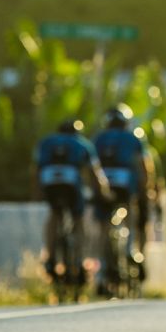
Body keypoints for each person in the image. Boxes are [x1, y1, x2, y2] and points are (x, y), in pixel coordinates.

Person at [32, 115, 108, 290]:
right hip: (71, 182)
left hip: (49, 180)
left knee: (54, 213)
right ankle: (79, 259)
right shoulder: (82, 143)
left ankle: (50, 256)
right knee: (78, 218)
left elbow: (36, 169)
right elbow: (95, 172)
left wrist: (36, 193)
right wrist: (102, 192)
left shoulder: (46, 142)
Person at [93, 103, 159, 289]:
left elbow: (92, 167)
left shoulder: (99, 138)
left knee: (103, 224)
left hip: (105, 182)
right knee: (130, 209)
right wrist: (145, 190)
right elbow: (144, 166)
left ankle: (102, 269)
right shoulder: (133, 138)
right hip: (125, 182)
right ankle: (130, 248)